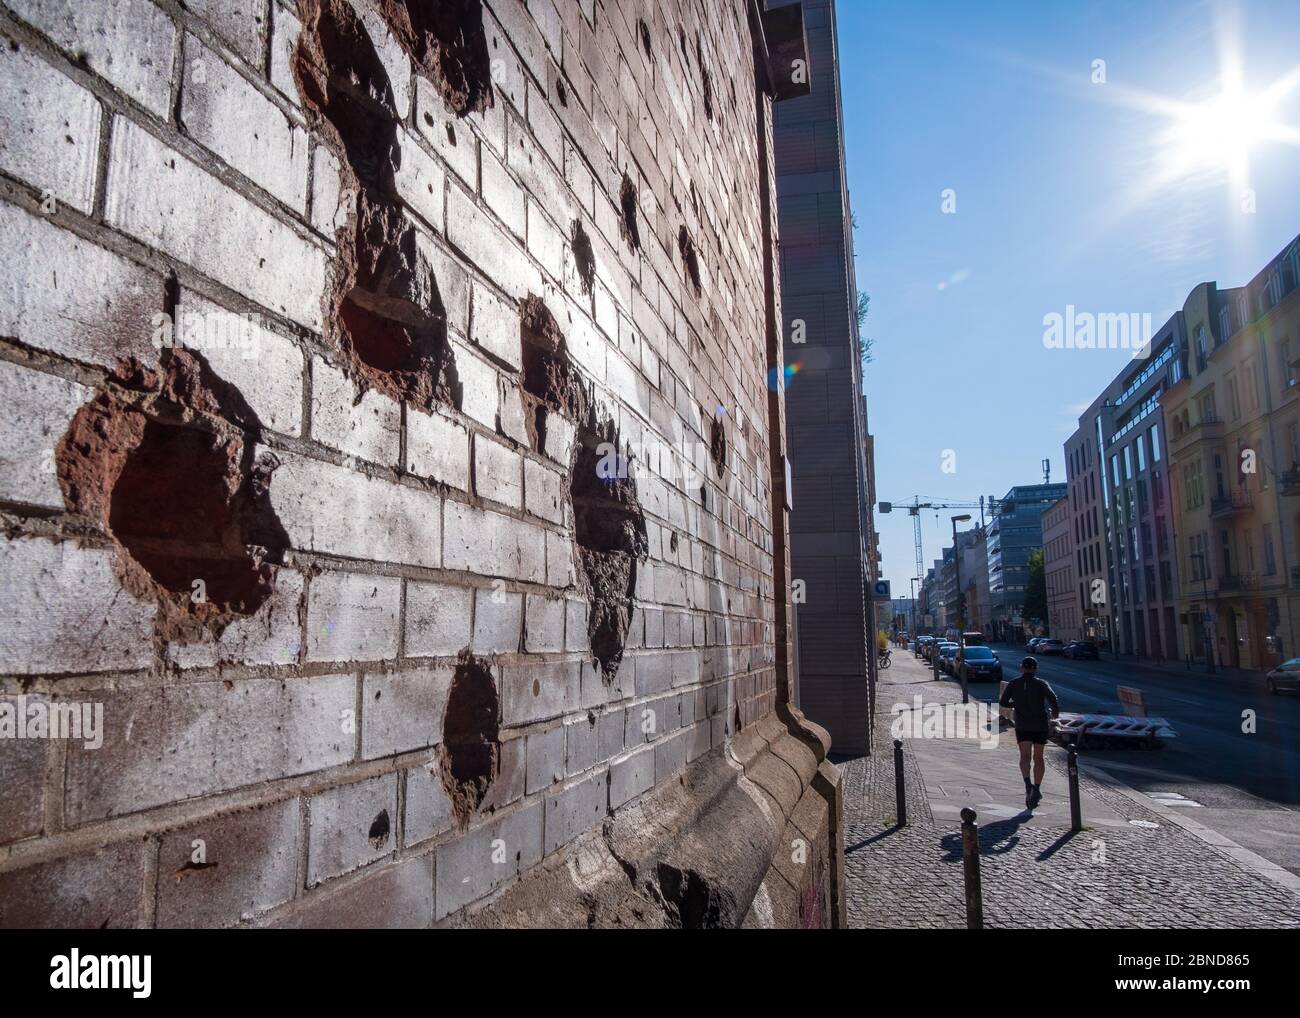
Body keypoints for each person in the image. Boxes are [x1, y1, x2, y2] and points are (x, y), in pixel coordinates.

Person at [998, 656, 1060, 809]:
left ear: (1022, 667)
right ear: (1036, 668)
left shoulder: (1014, 683)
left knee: (1025, 756)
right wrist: (1055, 715)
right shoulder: (1041, 683)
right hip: (1039, 725)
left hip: (1023, 725)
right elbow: (1053, 699)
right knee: (1038, 757)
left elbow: (1003, 702)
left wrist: (1015, 704)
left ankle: (1027, 784)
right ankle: (1037, 788)